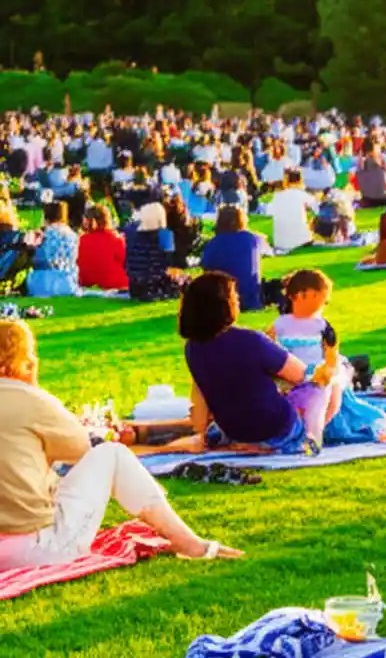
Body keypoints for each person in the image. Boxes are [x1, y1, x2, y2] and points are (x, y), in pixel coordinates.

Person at [0, 320, 241, 568]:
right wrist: (32, 386)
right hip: (31, 551)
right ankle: (189, 543)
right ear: (27, 361)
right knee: (112, 456)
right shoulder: (30, 399)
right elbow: (80, 449)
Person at [181, 272, 332, 454]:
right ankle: (309, 439)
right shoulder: (250, 340)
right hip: (276, 427)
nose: (237, 299)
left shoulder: (192, 348)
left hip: (235, 430)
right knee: (322, 390)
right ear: (223, 304)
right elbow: (301, 374)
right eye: (233, 295)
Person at [270, 270, 386, 443]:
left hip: (321, 370)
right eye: (319, 299)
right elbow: (268, 345)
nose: (323, 304)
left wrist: (329, 369)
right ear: (298, 296)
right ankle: (299, 430)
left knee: (332, 398)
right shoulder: (282, 324)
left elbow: (331, 351)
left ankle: (317, 429)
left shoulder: (321, 326)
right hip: (292, 371)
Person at [201, 205, 268, 311]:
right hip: (250, 299)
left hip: (222, 299)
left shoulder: (213, 243)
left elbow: (206, 269)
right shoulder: (251, 239)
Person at [125, 202, 184, 302]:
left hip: (135, 286)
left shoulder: (134, 236)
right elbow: (169, 264)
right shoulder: (165, 234)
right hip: (156, 284)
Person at [27, 202, 80, 298]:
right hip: (68, 283)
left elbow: (38, 260)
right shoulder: (73, 235)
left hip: (44, 284)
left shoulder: (44, 234)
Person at [77, 204, 129, 291]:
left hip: (87, 282)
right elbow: (125, 260)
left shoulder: (81, 240)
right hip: (115, 283)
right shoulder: (115, 238)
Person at [265, 168, 317, 252]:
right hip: (301, 241)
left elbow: (268, 212)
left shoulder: (276, 196)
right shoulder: (303, 195)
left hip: (280, 242)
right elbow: (317, 209)